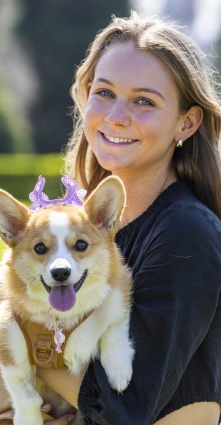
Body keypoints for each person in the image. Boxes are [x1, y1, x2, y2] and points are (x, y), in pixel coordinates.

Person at [36, 11, 221, 425]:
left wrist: (29, 350)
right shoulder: (81, 226)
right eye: (104, 92)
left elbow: (125, 407)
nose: (117, 116)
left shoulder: (186, 234)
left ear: (187, 123)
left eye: (144, 101)